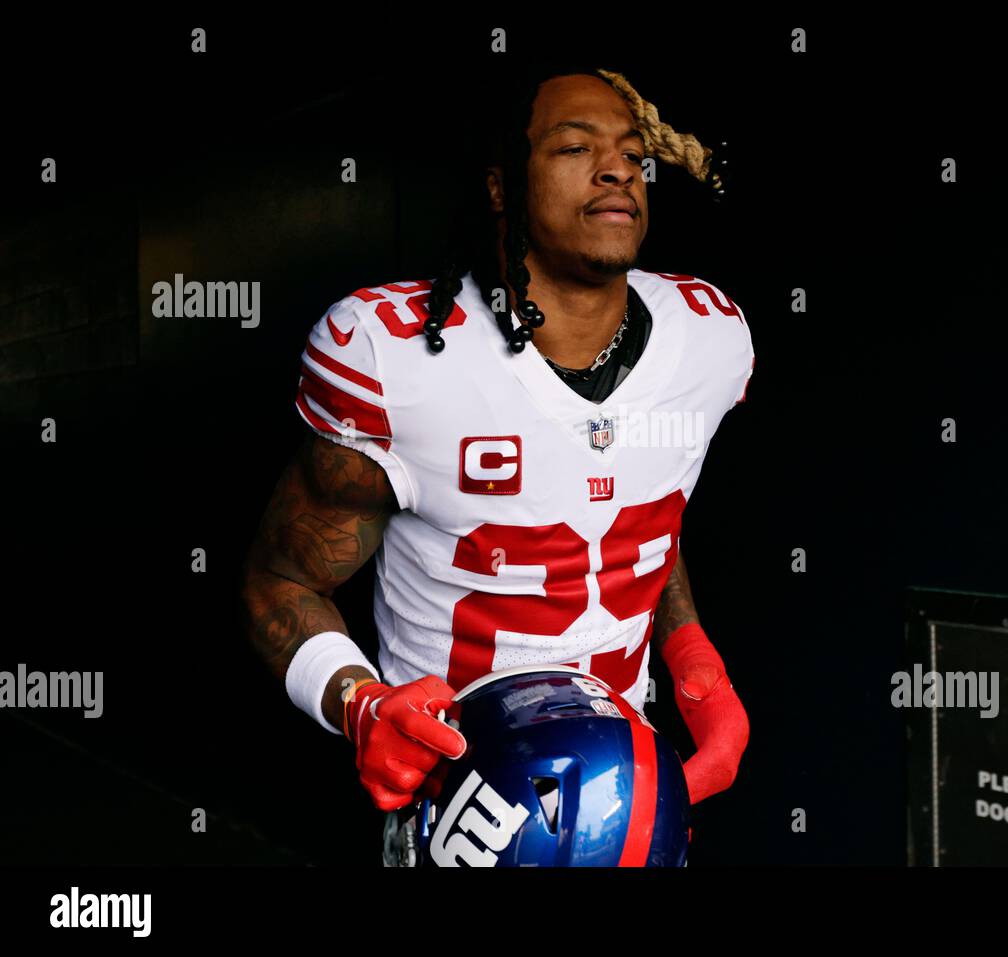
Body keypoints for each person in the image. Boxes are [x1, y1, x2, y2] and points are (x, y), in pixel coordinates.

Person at [240, 62, 753, 851]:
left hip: (627, 795)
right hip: (459, 814)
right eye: (573, 147)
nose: (617, 167)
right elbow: (280, 578)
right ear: (501, 187)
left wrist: (690, 651)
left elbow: (635, 512)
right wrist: (360, 703)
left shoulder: (709, 339)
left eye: (629, 151)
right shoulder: (397, 360)